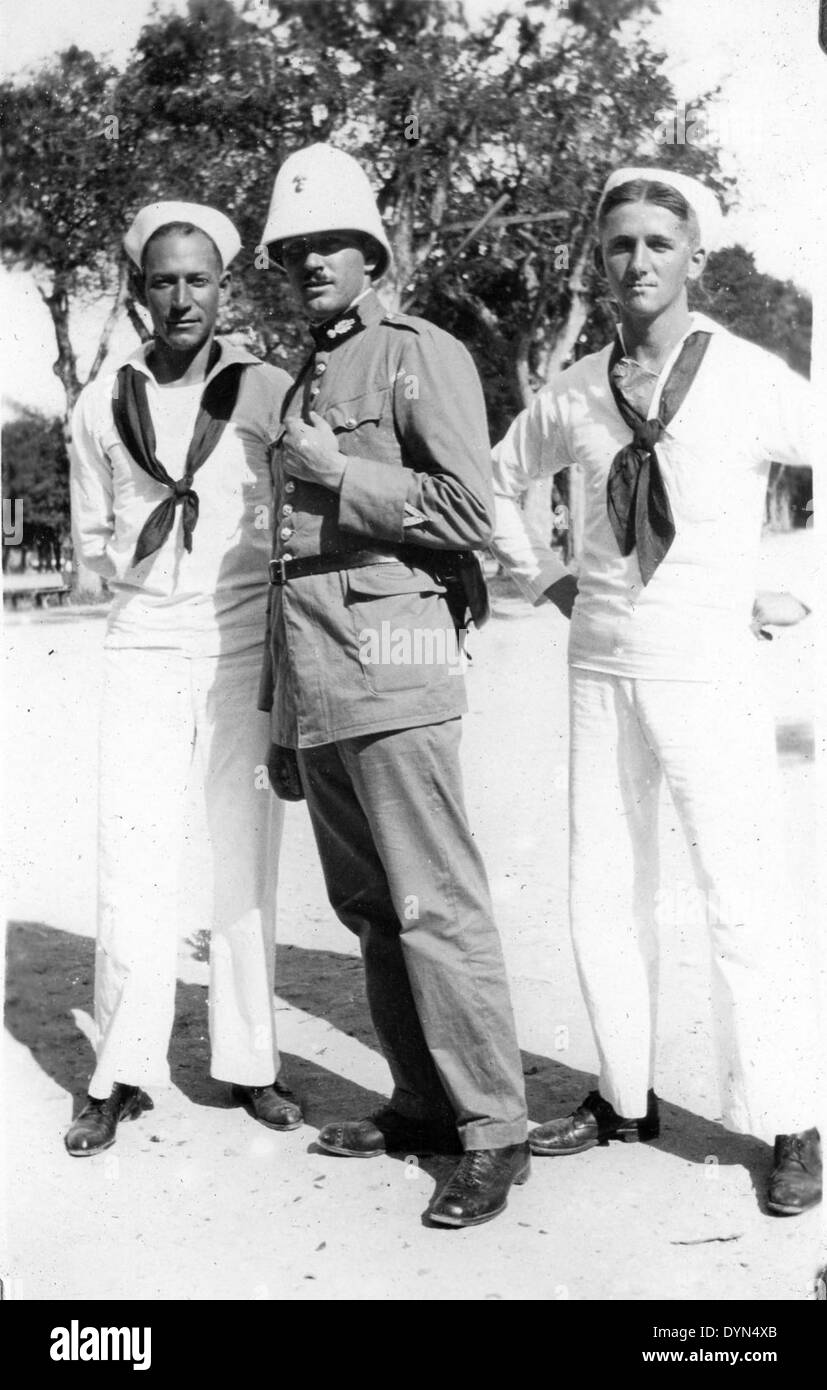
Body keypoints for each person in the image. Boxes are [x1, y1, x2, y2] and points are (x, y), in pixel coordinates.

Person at [489, 167, 822, 1215]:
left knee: (739, 893)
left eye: (656, 245)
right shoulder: (575, 388)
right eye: (619, 243)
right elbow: (500, 481)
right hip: (597, 663)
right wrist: (540, 576)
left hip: (704, 664)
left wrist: (793, 588)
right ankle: (622, 1093)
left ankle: (788, 1120)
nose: (636, 262)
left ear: (693, 259)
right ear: (602, 257)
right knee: (602, 886)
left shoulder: (742, 372)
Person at [257, 143, 529, 1227]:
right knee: (370, 905)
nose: (308, 261)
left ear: (372, 254)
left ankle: (493, 1127)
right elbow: (286, 553)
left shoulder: (419, 353)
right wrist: (284, 707)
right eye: (292, 250)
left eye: (328, 243)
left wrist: (342, 475)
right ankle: (421, 1097)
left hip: (397, 648)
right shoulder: (307, 370)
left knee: (432, 899)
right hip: (318, 657)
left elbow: (471, 512)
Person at [66, 201, 299, 1156]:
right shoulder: (98, 400)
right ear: (138, 291)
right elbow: (91, 537)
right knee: (134, 854)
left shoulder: (266, 389)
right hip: (143, 645)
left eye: (199, 278)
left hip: (241, 647)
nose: (181, 296)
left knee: (242, 855)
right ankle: (119, 1072)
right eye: (162, 280)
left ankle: (252, 1066)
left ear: (224, 287)